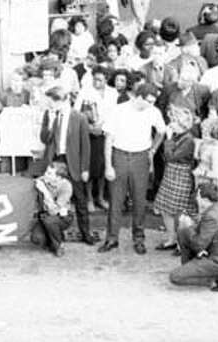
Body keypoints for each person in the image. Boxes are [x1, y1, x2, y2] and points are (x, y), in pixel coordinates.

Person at [101, 82, 166, 254]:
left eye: (153, 102)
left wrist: (153, 150)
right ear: (139, 97)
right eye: (148, 101)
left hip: (141, 157)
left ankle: (139, 238)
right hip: (119, 155)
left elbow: (161, 131)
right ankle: (112, 238)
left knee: (139, 200)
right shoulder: (118, 110)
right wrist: (108, 166)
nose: (151, 105)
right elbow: (108, 139)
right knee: (116, 200)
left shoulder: (153, 111)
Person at [33, 86, 95, 245]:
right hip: (55, 161)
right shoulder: (49, 115)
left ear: (63, 100)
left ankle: (85, 232)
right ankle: (53, 234)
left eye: (53, 102)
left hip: (73, 162)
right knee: (51, 197)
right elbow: (44, 139)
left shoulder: (79, 117)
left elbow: (85, 145)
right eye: (49, 102)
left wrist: (85, 168)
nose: (51, 105)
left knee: (80, 200)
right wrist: (50, 122)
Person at [169, 180, 218, 292]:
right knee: (183, 232)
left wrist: (188, 226)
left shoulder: (211, 215)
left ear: (205, 200)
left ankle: (214, 279)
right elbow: (205, 230)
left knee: (175, 277)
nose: (196, 199)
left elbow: (198, 245)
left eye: (198, 196)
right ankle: (195, 269)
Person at [154, 106, 197, 252]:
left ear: (182, 123)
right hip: (171, 174)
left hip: (181, 175)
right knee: (165, 209)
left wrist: (168, 139)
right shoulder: (178, 135)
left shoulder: (188, 140)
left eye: (173, 121)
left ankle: (182, 243)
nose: (170, 124)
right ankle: (171, 239)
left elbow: (171, 156)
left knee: (179, 211)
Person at [31, 160, 74, 257]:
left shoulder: (66, 186)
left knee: (50, 221)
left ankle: (59, 245)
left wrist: (45, 191)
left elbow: (54, 211)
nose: (45, 175)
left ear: (58, 177)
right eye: (46, 172)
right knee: (36, 238)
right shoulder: (43, 180)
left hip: (62, 217)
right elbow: (30, 183)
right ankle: (54, 237)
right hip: (45, 215)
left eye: (49, 173)